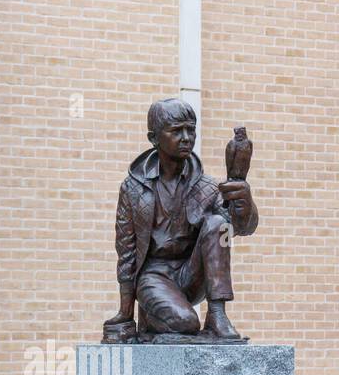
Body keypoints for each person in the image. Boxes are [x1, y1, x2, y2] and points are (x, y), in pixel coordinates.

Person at [103, 97, 258, 341]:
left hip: (192, 274)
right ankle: (157, 319)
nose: (186, 138)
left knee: (219, 224)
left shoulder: (207, 186)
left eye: (190, 130)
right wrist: (125, 313)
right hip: (154, 276)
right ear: (153, 138)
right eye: (176, 131)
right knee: (184, 323)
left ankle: (217, 314)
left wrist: (244, 201)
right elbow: (126, 251)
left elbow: (237, 229)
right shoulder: (132, 189)